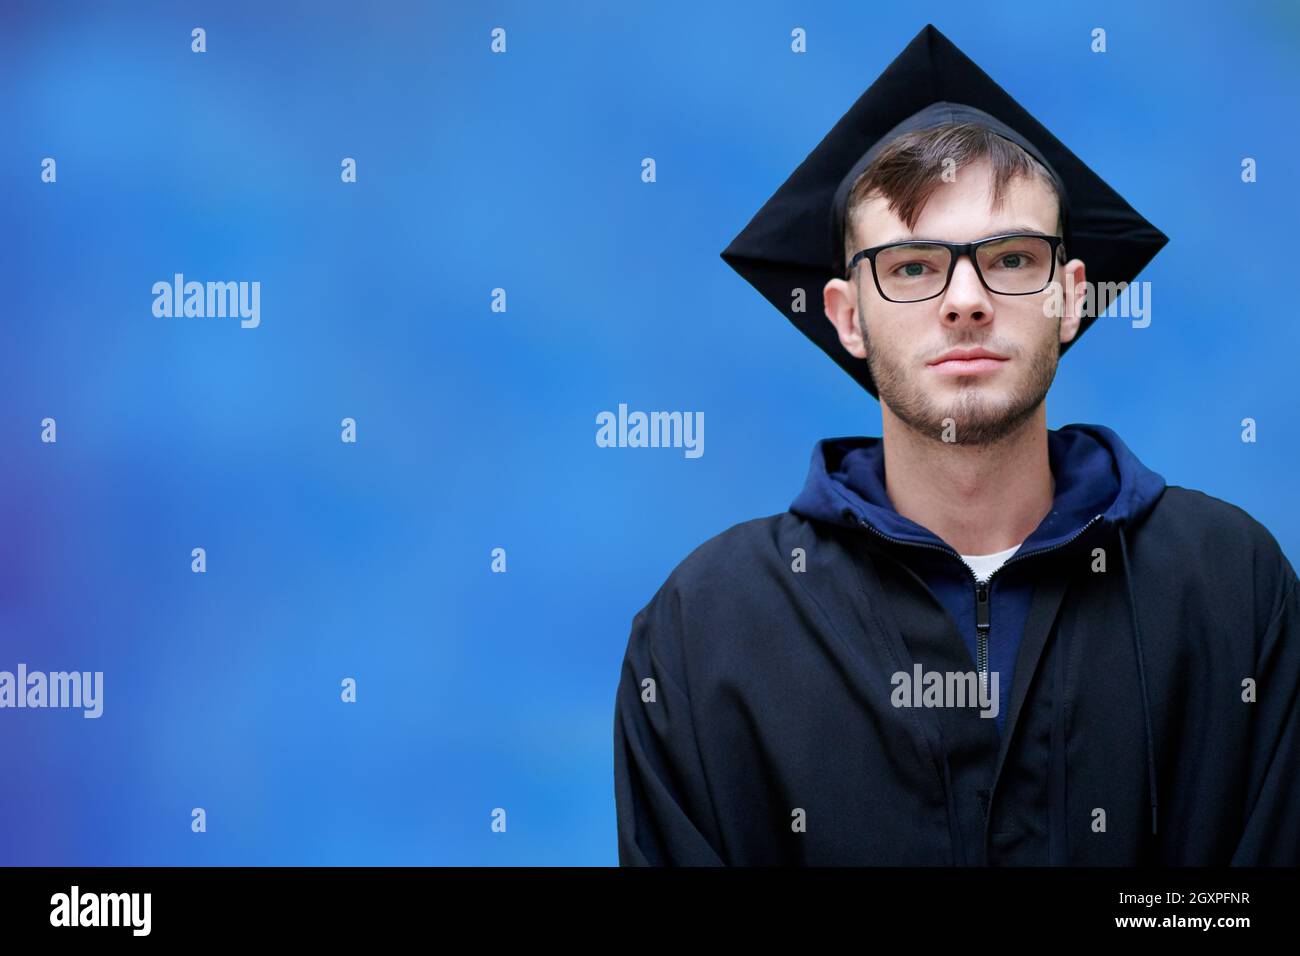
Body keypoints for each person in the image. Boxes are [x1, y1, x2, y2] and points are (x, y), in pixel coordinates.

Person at [612, 24, 1299, 865]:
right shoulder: (707, 626)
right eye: (910, 267)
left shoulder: (1228, 584)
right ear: (846, 316)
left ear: (1071, 298)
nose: (965, 300)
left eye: (1011, 258)